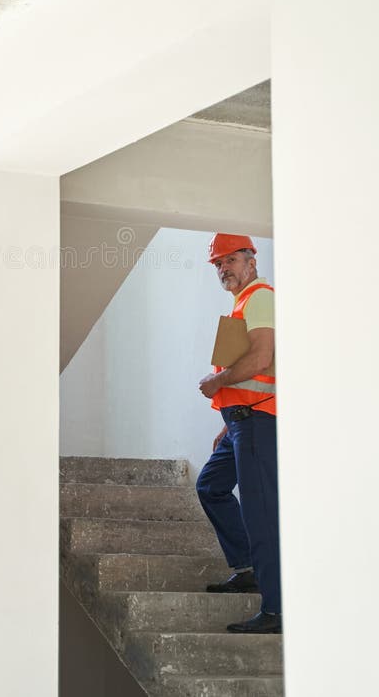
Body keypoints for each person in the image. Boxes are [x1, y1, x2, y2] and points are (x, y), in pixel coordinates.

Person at [196, 233, 282, 634]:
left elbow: (262, 358)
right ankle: (248, 567)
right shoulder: (243, 302)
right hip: (239, 422)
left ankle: (276, 610)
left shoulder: (260, 296)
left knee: (260, 514)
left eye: (229, 260)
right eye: (218, 263)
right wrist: (226, 422)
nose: (222, 269)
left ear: (251, 261)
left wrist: (217, 383)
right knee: (211, 486)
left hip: (258, 421)